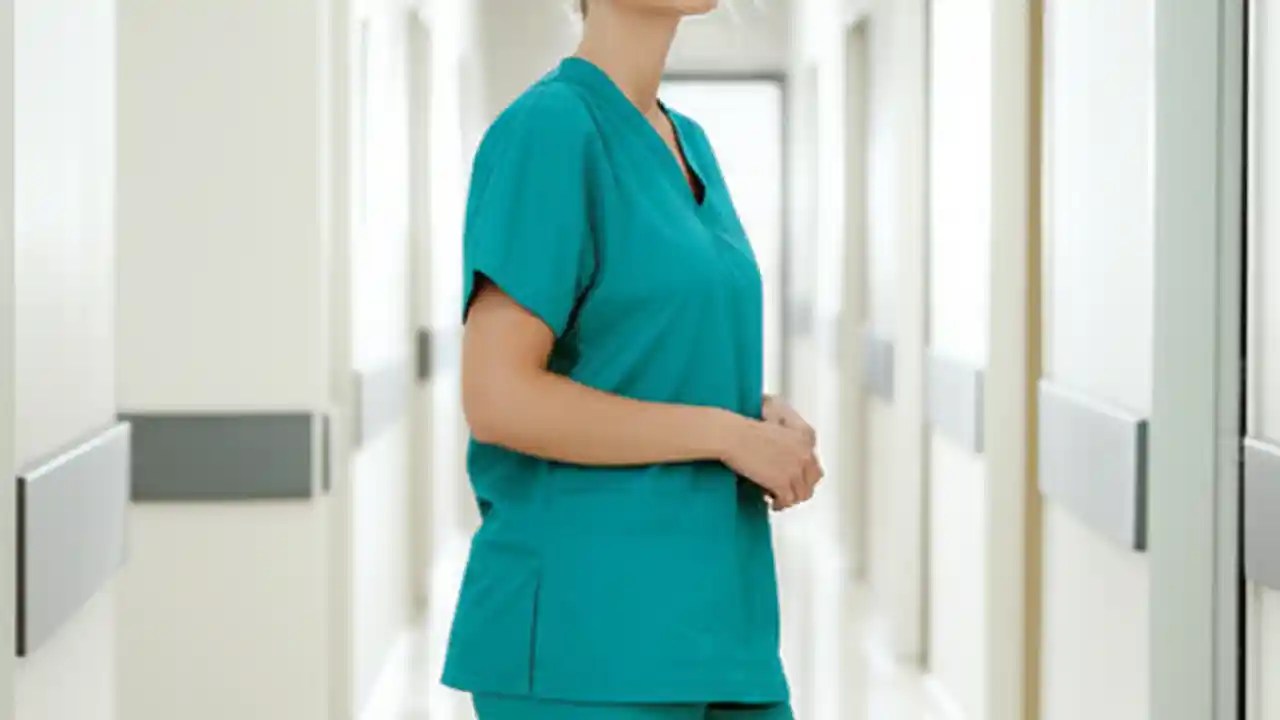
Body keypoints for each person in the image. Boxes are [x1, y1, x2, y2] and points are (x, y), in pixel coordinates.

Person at [441, 1, 823, 717]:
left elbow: (646, 354)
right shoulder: (549, 132)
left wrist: (757, 415)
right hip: (589, 640)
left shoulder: (691, 143)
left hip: (722, 626)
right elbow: (499, 398)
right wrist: (727, 434)